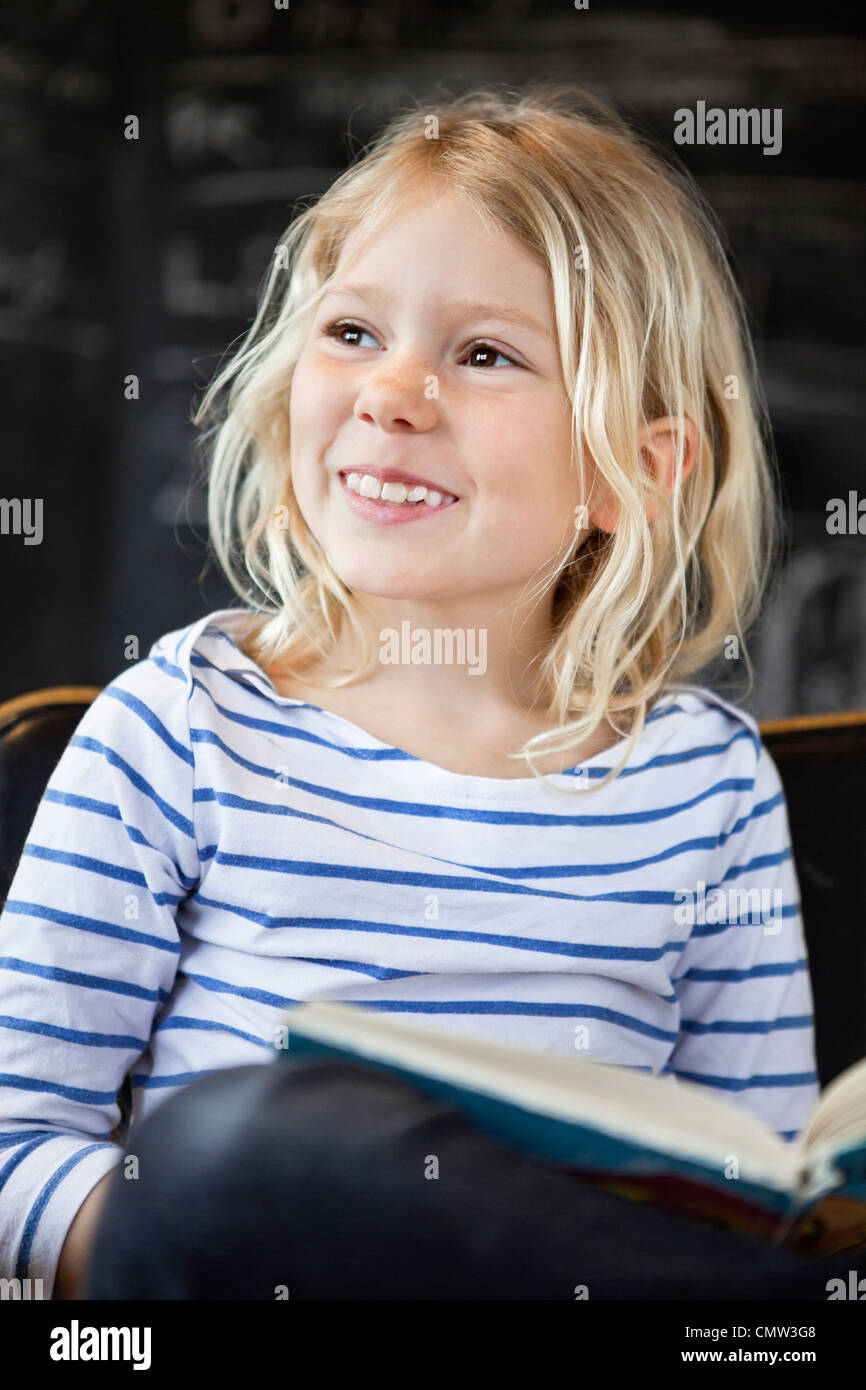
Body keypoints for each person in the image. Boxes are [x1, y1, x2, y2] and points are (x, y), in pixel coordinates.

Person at [0, 83, 857, 1300]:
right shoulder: (179, 729)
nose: (390, 392)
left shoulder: (704, 783)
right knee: (233, 1146)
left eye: (484, 353)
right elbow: (14, 1150)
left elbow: (758, 1187)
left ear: (632, 473)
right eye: (352, 332)